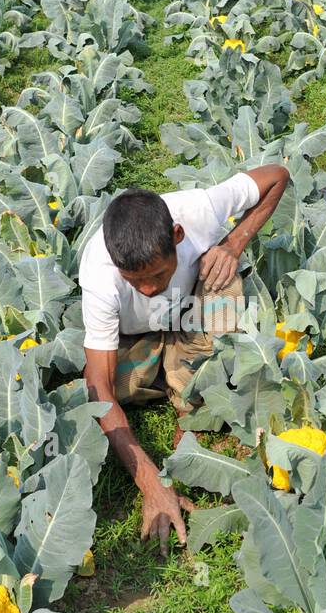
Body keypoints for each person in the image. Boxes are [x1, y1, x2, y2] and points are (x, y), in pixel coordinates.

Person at [80, 165, 290, 556]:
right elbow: (100, 390)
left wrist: (234, 243)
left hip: (191, 307)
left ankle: (181, 377)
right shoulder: (99, 276)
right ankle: (177, 374)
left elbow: (277, 175)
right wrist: (151, 484)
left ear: (177, 237)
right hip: (137, 334)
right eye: (133, 281)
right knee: (107, 393)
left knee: (223, 278)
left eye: (157, 275)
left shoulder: (201, 210)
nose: (145, 288)